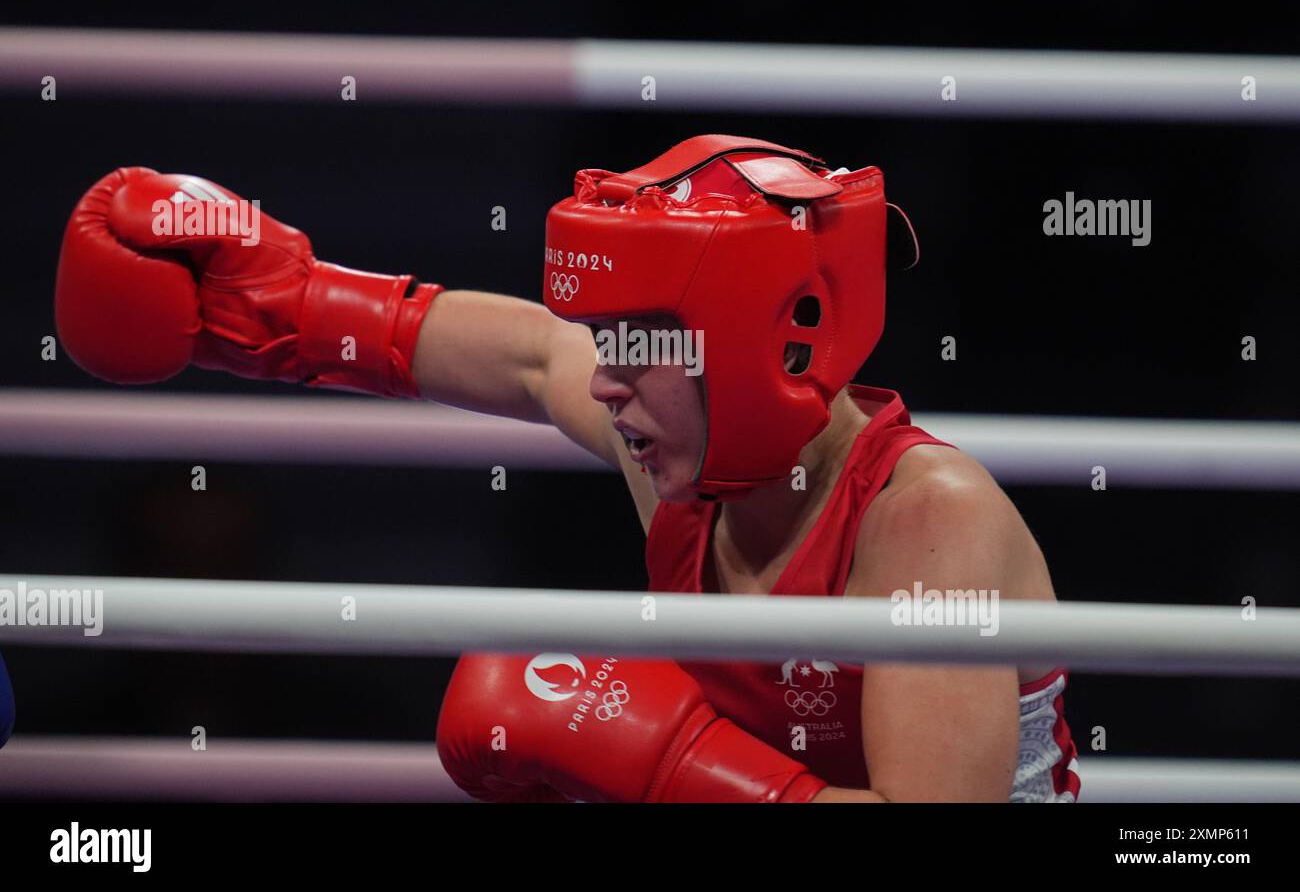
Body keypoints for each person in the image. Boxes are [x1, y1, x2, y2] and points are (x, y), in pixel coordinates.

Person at [55, 135, 1079, 802]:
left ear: (769, 349)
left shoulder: (928, 521)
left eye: (641, 347)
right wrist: (285, 306)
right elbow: (536, 353)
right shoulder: (692, 454)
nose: (605, 386)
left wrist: (669, 761)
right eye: (609, 341)